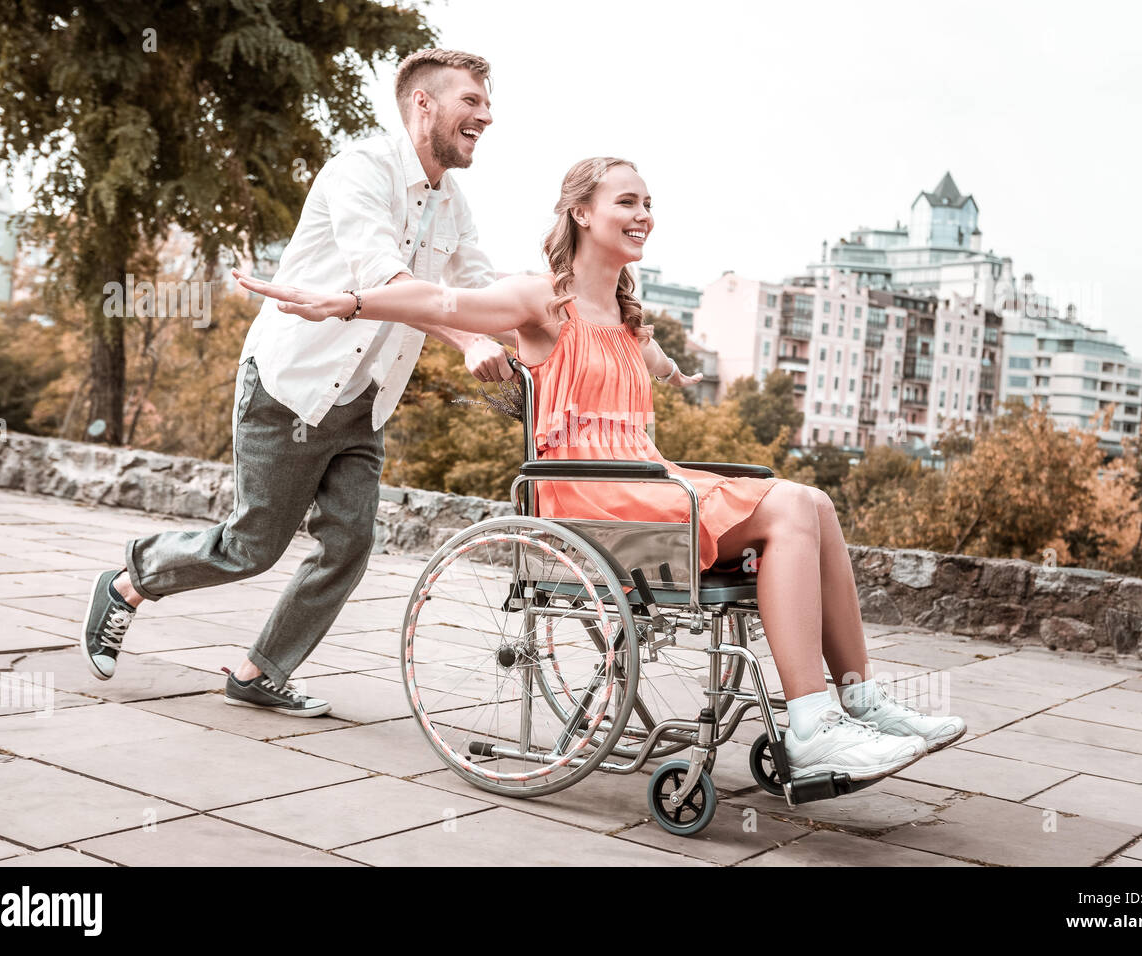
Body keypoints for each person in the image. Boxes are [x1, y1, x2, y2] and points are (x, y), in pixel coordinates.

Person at [232, 157, 967, 782]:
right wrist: (351, 301)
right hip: (591, 500)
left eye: (649, 204)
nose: (644, 214)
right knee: (792, 507)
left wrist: (667, 365)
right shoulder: (539, 300)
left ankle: (856, 701)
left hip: (646, 484)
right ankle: (811, 725)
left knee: (815, 503)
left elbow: (645, 359)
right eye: (628, 202)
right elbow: (441, 298)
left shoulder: (626, 314)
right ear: (582, 213)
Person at [79, 49, 515, 717]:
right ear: (423, 104)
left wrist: (561, 327)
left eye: (486, 102)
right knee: (252, 546)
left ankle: (261, 671)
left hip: (365, 401)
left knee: (350, 543)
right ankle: (131, 578)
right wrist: (468, 339)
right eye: (472, 101)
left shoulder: (451, 204)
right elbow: (379, 278)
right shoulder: (361, 171)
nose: (486, 114)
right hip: (292, 388)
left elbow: (484, 289)